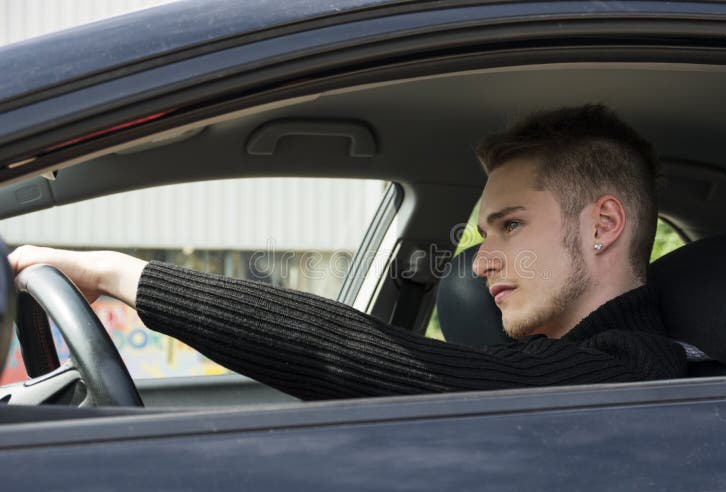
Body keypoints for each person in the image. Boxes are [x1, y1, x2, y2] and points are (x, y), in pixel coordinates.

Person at [8, 104, 687, 401]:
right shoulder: (537, 366)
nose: (478, 263)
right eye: (482, 235)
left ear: (602, 226)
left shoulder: (626, 379)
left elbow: (363, 356)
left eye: (509, 226)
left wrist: (116, 274)